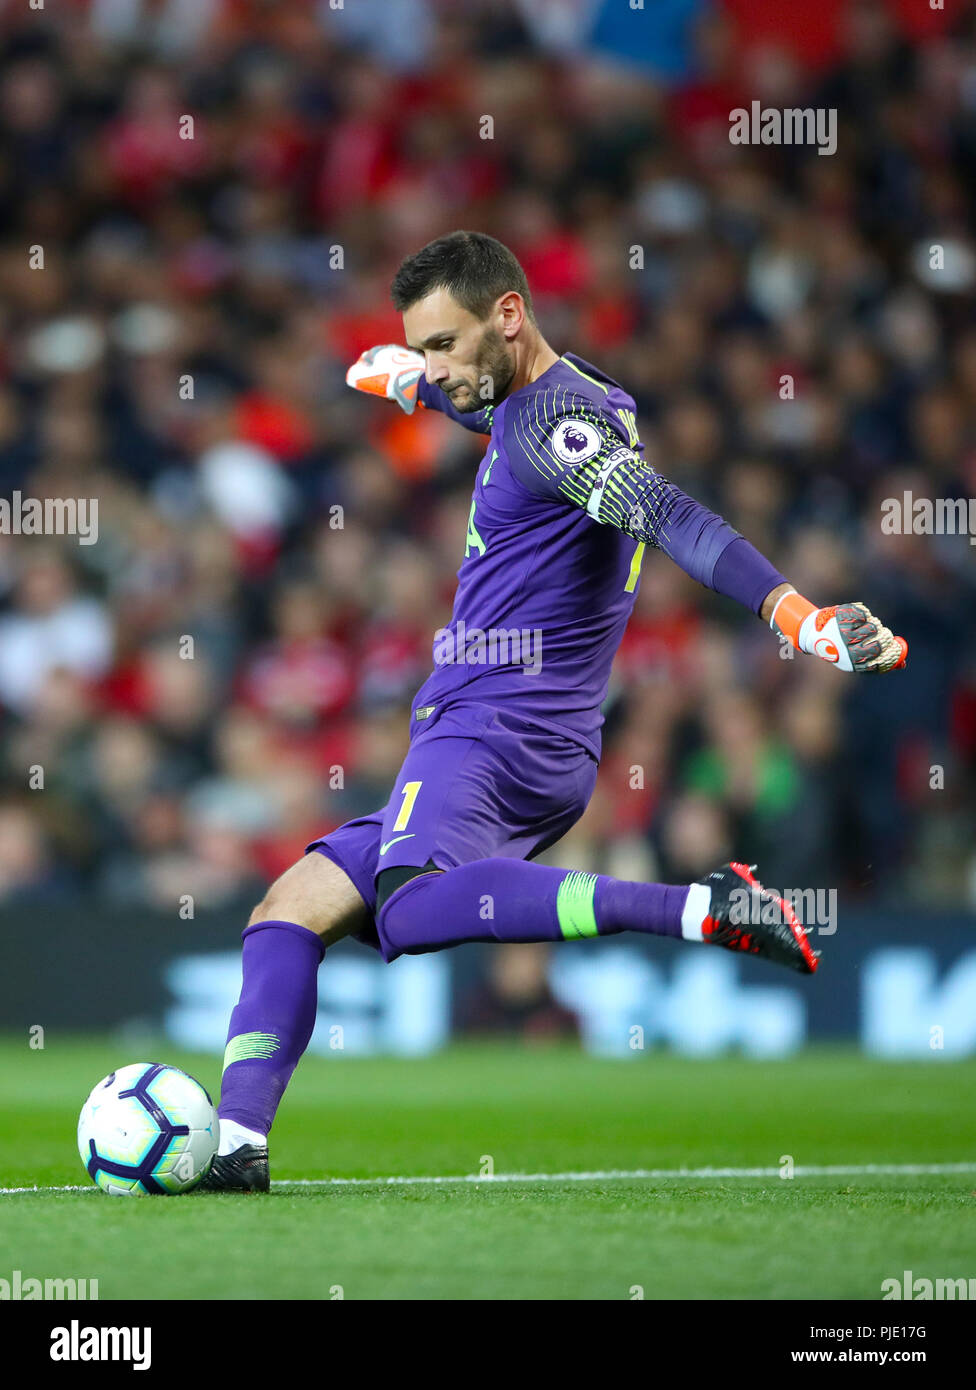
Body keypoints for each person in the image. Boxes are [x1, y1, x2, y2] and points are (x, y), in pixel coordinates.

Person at [202, 231, 906, 1192]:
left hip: (493, 730)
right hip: (532, 740)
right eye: (423, 345)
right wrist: (417, 385)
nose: (435, 363)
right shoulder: (556, 407)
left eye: (444, 344)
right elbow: (524, 445)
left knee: (407, 910)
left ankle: (703, 909)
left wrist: (799, 616)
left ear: (509, 315)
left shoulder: (554, 424)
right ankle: (237, 1145)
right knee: (293, 906)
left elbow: (673, 516)